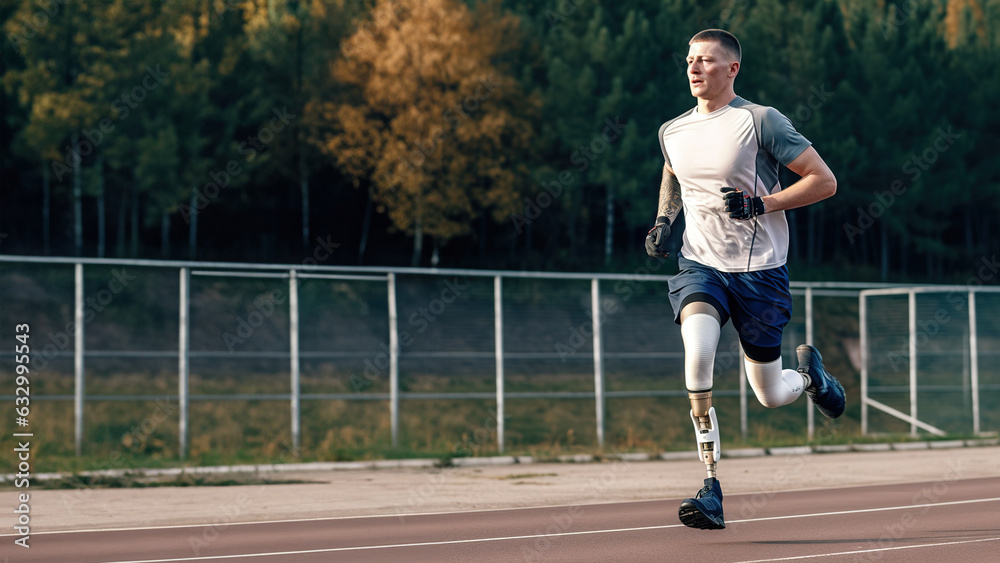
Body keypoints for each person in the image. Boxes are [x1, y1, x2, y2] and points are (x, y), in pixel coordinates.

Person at [644, 29, 845, 530]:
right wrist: (664, 222)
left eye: (706, 61)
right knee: (699, 354)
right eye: (690, 60)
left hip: (761, 275)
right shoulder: (673, 129)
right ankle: (710, 488)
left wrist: (763, 204)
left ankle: (811, 378)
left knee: (770, 393)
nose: (694, 68)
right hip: (701, 265)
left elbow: (824, 181)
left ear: (731, 69)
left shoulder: (760, 122)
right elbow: (673, 173)